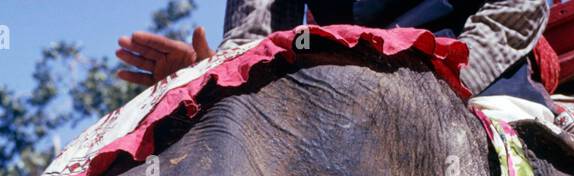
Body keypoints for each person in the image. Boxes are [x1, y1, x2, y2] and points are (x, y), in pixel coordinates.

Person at [117, 0, 550, 102]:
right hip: (334, 83)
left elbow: (515, 10)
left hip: (467, 80)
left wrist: (439, 89)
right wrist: (207, 83)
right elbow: (255, 45)